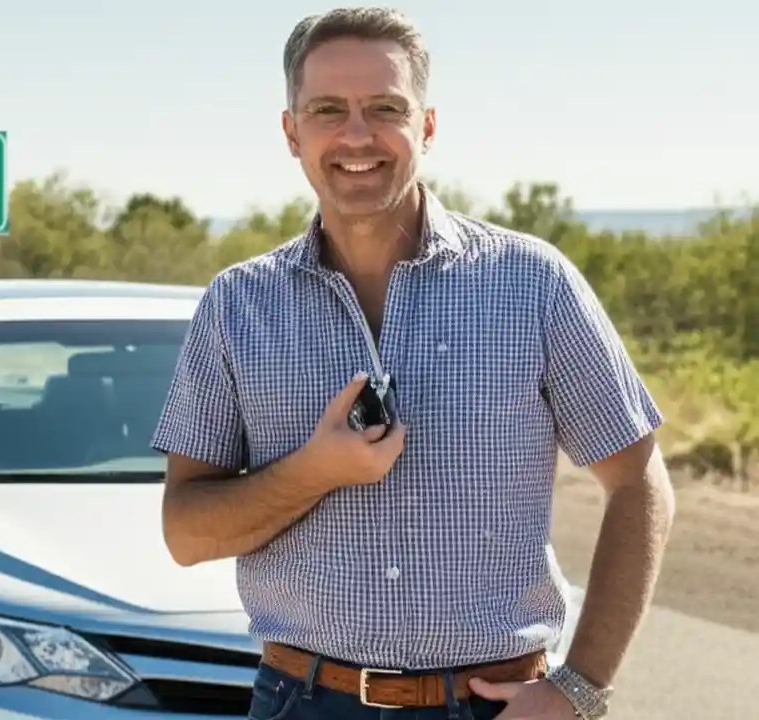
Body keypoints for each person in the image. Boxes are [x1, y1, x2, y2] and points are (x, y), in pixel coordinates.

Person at [149, 7, 675, 720]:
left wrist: (580, 687)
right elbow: (185, 531)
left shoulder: (532, 283)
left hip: (494, 703)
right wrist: (315, 472)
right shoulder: (236, 306)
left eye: (385, 109)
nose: (357, 135)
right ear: (291, 132)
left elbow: (640, 483)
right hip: (303, 703)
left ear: (426, 126)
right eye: (328, 109)